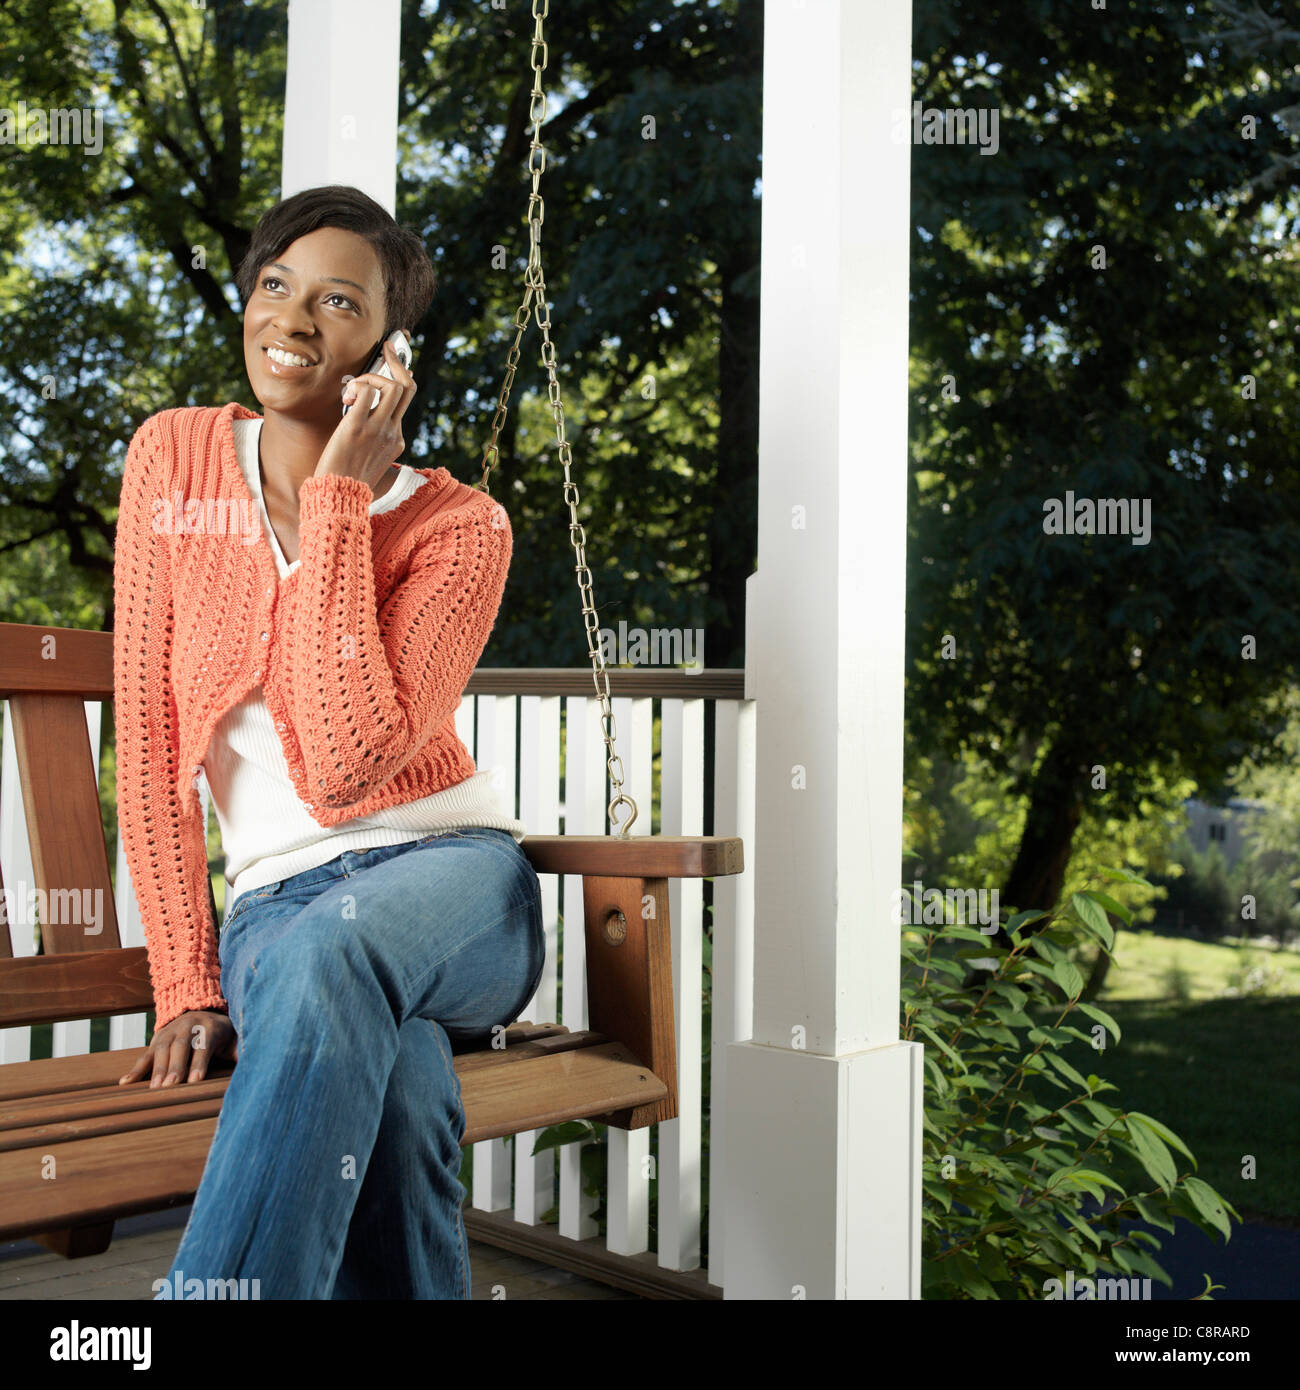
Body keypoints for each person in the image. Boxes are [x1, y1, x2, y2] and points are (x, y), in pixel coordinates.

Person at [111, 184, 545, 1299]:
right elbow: (154, 739)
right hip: (276, 910)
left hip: (455, 885)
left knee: (331, 956)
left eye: (337, 302)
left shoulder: (460, 526)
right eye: (275, 286)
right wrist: (184, 985)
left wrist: (340, 506)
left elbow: (347, 760)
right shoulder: (175, 460)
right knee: (396, 1084)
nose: (291, 319)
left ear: (388, 352)